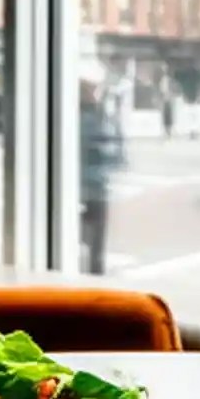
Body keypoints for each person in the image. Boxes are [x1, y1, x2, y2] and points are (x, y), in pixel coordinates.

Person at [80, 64, 124, 275]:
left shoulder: (102, 116)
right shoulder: (99, 117)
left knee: (95, 248)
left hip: (94, 188)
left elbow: (118, 154)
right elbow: (117, 154)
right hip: (87, 188)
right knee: (92, 247)